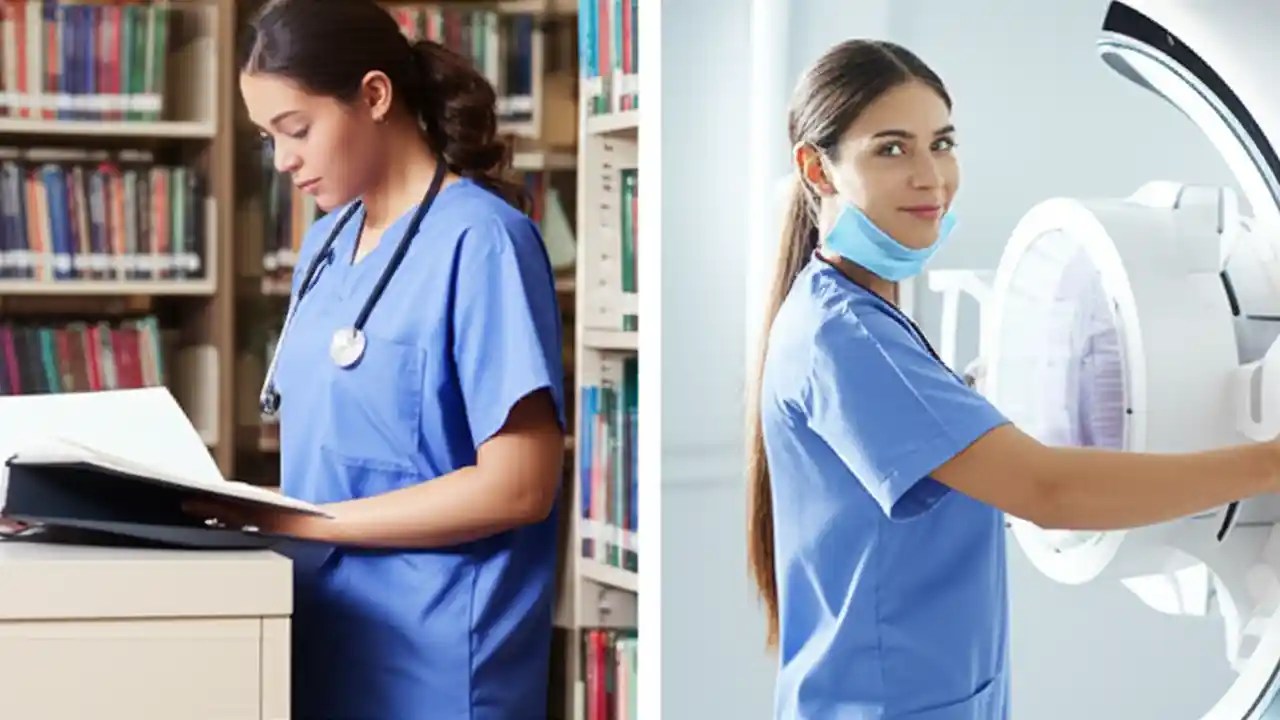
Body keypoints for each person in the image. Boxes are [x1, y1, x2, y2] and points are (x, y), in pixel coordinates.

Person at [746, 39, 1280, 719]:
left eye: (941, 143)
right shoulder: (846, 337)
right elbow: (1046, 489)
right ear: (816, 170)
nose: (930, 176)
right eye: (891, 149)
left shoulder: (856, 316)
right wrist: (1269, 463)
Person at [185, 1, 567, 718]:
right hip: (324, 638)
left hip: (441, 663)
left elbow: (520, 485)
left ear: (374, 95)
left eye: (296, 130)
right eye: (267, 137)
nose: (282, 160)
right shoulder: (323, 247)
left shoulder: (483, 242)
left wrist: (306, 524)